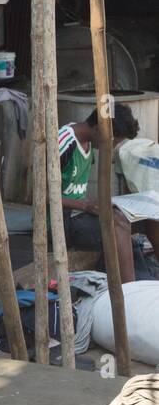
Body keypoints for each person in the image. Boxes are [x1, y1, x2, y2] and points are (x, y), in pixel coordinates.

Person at [58, 105, 152, 282]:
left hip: (80, 213)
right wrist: (85, 205)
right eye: (113, 141)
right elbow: (40, 195)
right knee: (118, 222)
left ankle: (145, 282)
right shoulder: (64, 143)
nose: (113, 146)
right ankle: (130, 290)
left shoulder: (86, 142)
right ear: (97, 129)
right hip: (60, 220)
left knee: (149, 214)